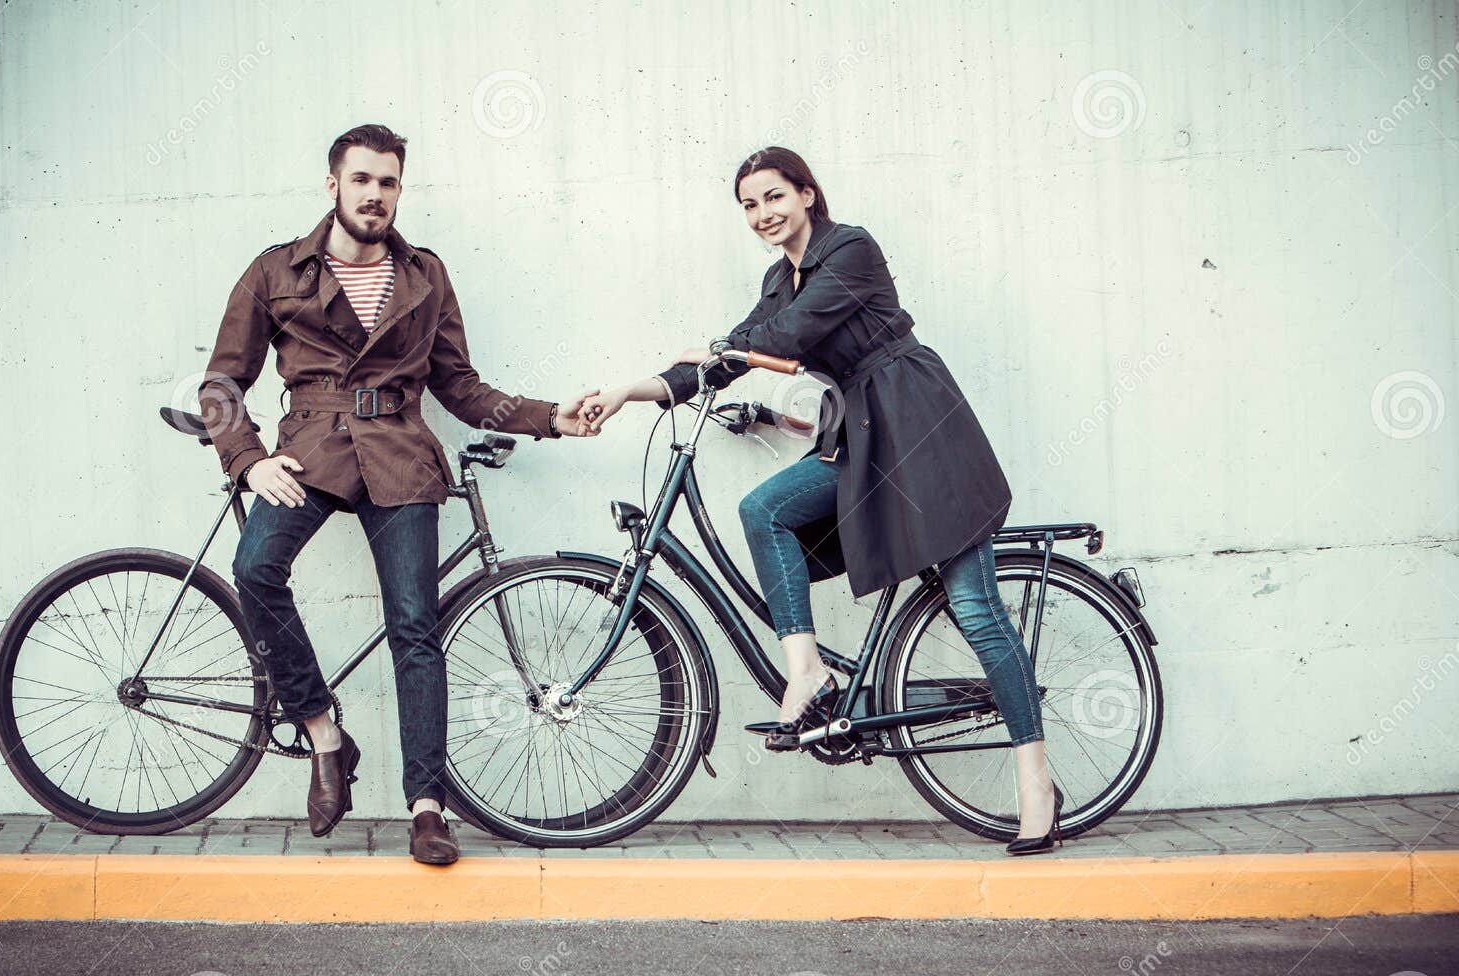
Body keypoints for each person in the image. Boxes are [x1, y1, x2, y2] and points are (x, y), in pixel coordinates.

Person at [580, 147, 1062, 855]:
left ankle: (1036, 784)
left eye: (774, 196)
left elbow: (787, 337)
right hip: (863, 435)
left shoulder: (852, 249)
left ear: (807, 194)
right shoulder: (781, 277)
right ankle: (807, 668)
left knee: (977, 610)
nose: (763, 214)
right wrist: (630, 390)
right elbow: (738, 351)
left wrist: (729, 349)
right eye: (748, 204)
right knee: (765, 510)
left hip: (917, 425)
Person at [198, 124, 596, 863]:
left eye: (388, 183)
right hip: (309, 452)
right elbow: (222, 383)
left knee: (415, 627)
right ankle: (324, 732)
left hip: (401, 459)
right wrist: (250, 462)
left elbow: (460, 385)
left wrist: (551, 419)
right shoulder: (274, 270)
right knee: (254, 568)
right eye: (361, 180)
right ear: (333, 185)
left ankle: (426, 806)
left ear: (399, 190)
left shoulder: (424, 275)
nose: (374, 195)